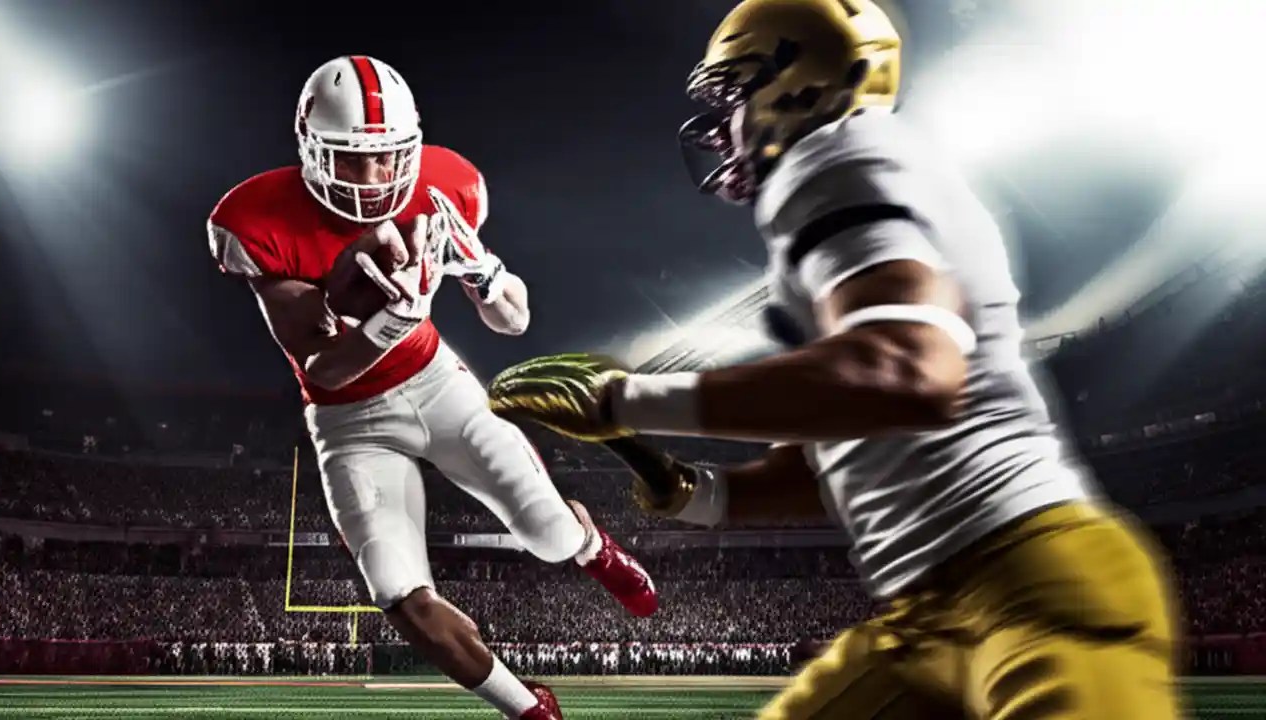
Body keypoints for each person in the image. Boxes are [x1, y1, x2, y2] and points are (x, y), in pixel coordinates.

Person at [484, 1, 1182, 717]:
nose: (721, 124)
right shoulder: (868, 191)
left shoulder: (837, 158)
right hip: (928, 619)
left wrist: (623, 401)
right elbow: (846, 451)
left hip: (1030, 590)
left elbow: (907, 374)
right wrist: (701, 491)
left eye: (734, 93)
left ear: (804, 84)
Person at [206, 54, 657, 720]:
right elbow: (323, 367)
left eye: (388, 157)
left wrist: (483, 271)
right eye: (352, 159)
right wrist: (394, 320)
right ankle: (527, 707)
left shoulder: (446, 185)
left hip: (435, 382)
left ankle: (591, 546)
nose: (375, 177)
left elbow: (514, 319)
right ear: (310, 150)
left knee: (547, 535)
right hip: (347, 420)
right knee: (398, 594)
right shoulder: (256, 221)